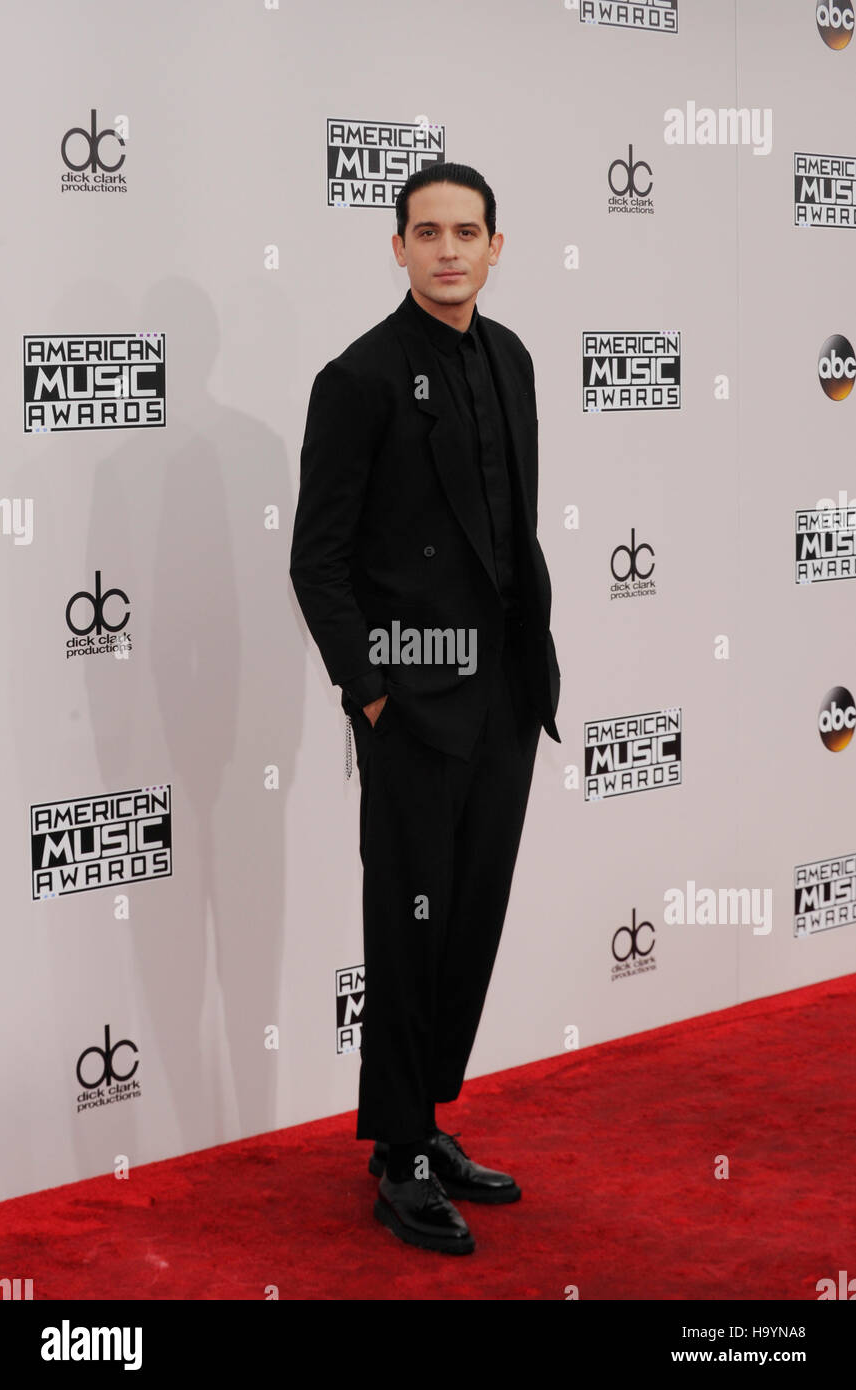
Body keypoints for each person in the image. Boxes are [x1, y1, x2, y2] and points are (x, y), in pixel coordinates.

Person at [290, 162, 560, 1255]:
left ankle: (422, 1119)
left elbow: (512, 527)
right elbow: (319, 561)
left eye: (467, 231)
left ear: (497, 246)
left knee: (470, 924)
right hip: (412, 703)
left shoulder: (512, 358)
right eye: (427, 232)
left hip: (504, 693)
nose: (448, 249)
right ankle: (397, 1154)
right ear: (396, 248)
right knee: (405, 936)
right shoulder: (356, 377)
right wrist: (369, 694)